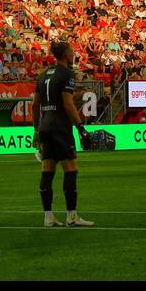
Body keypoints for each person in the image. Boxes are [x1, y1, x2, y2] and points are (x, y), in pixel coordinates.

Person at [33, 40, 93, 227]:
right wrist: (81, 128)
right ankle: (72, 216)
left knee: (47, 171)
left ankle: (48, 217)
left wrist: (36, 129)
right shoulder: (68, 74)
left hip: (44, 126)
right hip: (60, 127)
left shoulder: (43, 75)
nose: (74, 54)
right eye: (72, 51)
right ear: (66, 55)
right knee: (71, 169)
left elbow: (35, 104)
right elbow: (67, 104)